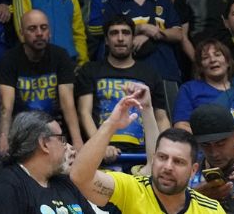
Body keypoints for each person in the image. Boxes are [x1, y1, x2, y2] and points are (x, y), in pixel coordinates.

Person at [72, 82, 223, 214]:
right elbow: (80, 177)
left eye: (178, 161)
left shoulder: (211, 210)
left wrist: (147, 108)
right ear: (153, 159)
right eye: (162, 157)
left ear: (193, 170)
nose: (168, 167)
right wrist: (111, 124)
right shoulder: (131, 190)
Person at [74, 19, 167, 161]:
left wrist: (164, 151)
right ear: (106, 40)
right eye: (114, 33)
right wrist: (100, 145)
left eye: (126, 33)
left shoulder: (150, 73)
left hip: (143, 153)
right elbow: (84, 112)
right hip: (102, 152)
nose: (120, 38)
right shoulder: (90, 70)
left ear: (133, 38)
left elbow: (161, 118)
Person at [0, 10, 83, 146]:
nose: (39, 33)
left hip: (55, 130)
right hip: (22, 132)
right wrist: (3, 138)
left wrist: (77, 140)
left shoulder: (61, 56)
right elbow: (6, 106)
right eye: (32, 29)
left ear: (50, 32)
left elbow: (68, 103)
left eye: (44, 28)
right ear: (21, 33)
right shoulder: (9, 59)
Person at [0, 112, 91, 214]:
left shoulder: (65, 182)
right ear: (44, 144)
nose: (66, 146)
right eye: (61, 139)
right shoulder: (4, 188)